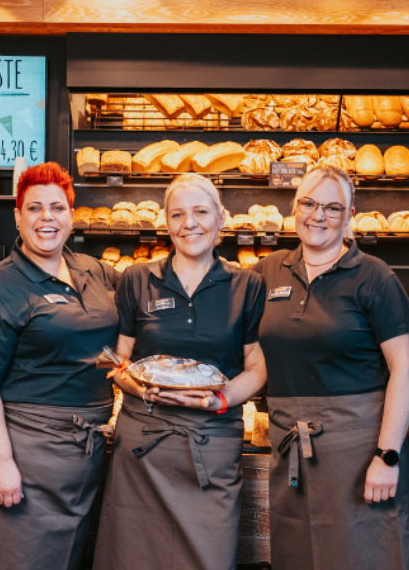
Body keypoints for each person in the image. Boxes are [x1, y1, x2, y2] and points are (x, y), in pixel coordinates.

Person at [0, 162, 120, 570]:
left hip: (76, 453)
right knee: (9, 558)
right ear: (17, 217)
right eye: (34, 208)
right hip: (20, 446)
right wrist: (1, 464)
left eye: (57, 208)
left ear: (71, 216)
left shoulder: (93, 271)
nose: (46, 218)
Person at [94, 174, 268, 570]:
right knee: (134, 558)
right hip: (145, 442)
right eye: (178, 214)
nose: (189, 223)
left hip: (213, 442)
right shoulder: (137, 279)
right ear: (166, 222)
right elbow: (117, 362)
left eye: (201, 212)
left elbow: (257, 366)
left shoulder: (247, 285)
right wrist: (142, 390)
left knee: (210, 555)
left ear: (221, 218)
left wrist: (220, 399)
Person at [252, 166, 409, 570]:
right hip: (291, 446)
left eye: (332, 207)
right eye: (309, 204)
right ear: (295, 207)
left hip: (359, 451)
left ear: (349, 215)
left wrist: (388, 455)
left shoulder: (374, 276)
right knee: (299, 553)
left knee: (366, 555)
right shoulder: (266, 271)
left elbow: (405, 368)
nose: (318, 216)